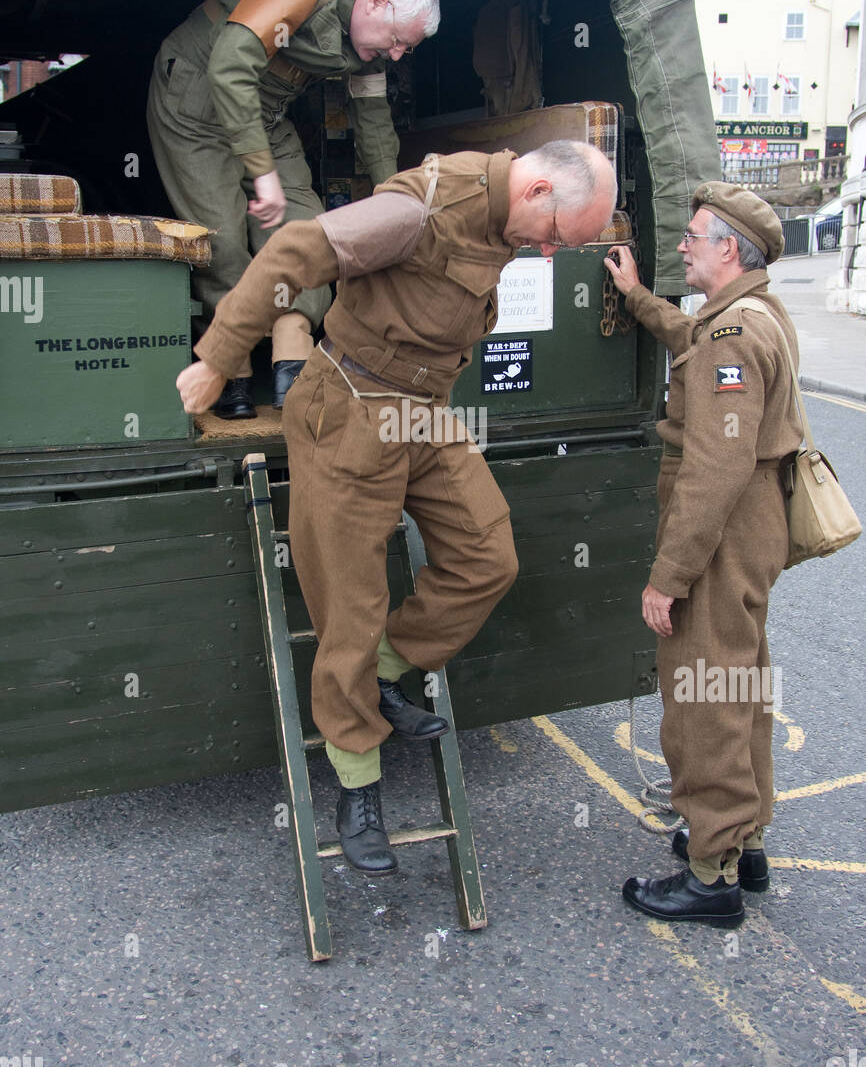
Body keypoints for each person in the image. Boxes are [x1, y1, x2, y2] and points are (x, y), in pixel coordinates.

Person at [177, 140, 617, 872]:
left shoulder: (507, 215)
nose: (547, 253)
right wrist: (218, 358)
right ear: (537, 191)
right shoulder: (423, 209)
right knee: (348, 609)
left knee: (487, 555)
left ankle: (384, 669)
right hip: (349, 409)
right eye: (554, 236)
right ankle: (358, 786)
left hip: (421, 410)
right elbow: (293, 251)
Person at [604, 182, 801, 927]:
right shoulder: (748, 316)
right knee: (740, 686)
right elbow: (691, 345)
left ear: (727, 248)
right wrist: (639, 295)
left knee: (703, 701)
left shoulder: (733, 337)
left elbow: (715, 471)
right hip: (752, 534)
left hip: (719, 541)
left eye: (691, 237)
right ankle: (744, 841)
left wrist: (668, 578)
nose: (681, 244)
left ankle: (710, 875)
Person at [147, 0, 440, 416]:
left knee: (307, 228)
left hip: (263, 113)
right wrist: (262, 171)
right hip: (197, 102)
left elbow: (374, 121)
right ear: (377, 3)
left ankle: (291, 354)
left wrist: (397, 202)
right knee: (220, 238)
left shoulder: (370, 46)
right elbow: (228, 67)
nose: (398, 54)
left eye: (407, 48)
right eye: (399, 41)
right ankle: (231, 367)